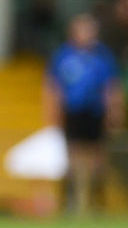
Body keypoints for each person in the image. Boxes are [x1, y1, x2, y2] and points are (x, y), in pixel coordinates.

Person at [45, 12, 123, 213]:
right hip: (73, 111)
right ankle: (71, 202)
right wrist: (52, 113)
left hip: (95, 111)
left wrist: (114, 111)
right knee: (72, 155)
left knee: (97, 155)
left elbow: (110, 86)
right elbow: (54, 87)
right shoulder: (63, 56)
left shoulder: (102, 55)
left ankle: (97, 202)